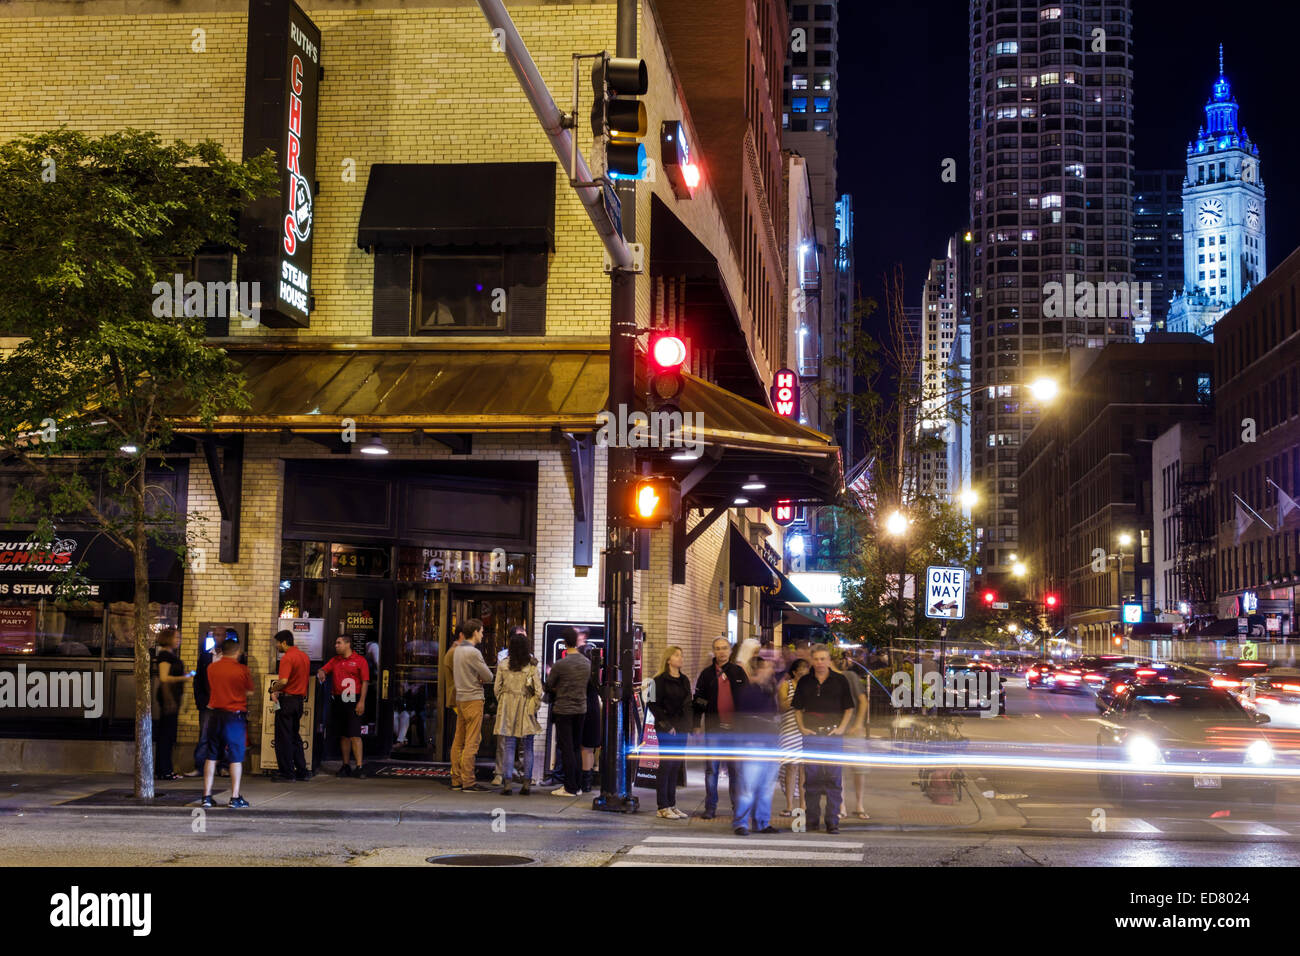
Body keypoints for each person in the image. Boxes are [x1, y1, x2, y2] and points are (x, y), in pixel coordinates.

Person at [793, 644, 854, 833]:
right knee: (811, 780)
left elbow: (849, 707)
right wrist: (802, 728)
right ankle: (811, 820)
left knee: (833, 780)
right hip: (812, 736)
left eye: (823, 659)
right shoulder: (804, 682)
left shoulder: (840, 680)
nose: (819, 663)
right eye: (816, 659)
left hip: (832, 736)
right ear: (812, 660)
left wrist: (842, 728)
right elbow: (797, 707)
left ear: (829, 661)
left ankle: (832, 821)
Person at [693, 636, 747, 819]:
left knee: (735, 771)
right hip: (714, 729)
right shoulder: (706, 675)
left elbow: (747, 700)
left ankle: (737, 807)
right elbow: (699, 701)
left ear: (730, 650)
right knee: (712, 770)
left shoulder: (738, 673)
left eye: (724, 648)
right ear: (714, 651)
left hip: (735, 730)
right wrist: (696, 725)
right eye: (717, 648)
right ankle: (710, 808)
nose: (721, 652)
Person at [197, 637, 254, 809]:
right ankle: (235, 797)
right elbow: (250, 691)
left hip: (213, 714)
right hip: (233, 716)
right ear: (237, 652)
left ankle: (206, 796)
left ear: (222, 651)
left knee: (211, 755)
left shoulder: (212, 668)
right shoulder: (242, 669)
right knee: (235, 757)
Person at [731, 654, 781, 836]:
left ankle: (761, 822)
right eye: (767, 667)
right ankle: (741, 823)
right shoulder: (748, 691)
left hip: (769, 744)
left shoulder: (768, 691)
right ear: (758, 670)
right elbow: (746, 719)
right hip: (753, 744)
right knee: (748, 788)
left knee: (766, 788)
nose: (771, 671)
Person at [493, 630, 542, 795]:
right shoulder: (532, 666)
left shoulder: (503, 665)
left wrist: (504, 700)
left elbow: (496, 689)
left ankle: (507, 784)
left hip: (508, 706)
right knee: (528, 746)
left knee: (509, 745)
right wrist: (533, 706)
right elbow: (538, 691)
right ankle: (526, 784)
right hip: (526, 707)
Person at [646, 645, 691, 819]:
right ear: (668, 659)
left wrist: (688, 725)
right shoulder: (659, 681)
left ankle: (672, 804)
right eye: (677, 655)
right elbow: (652, 704)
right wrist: (666, 724)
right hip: (666, 729)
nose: (681, 658)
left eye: (681, 655)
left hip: (681, 729)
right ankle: (662, 806)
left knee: (676, 766)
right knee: (666, 765)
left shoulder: (684, 680)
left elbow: (688, 703)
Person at [545, 626, 590, 796]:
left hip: (564, 710)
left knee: (566, 749)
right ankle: (577, 785)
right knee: (577, 748)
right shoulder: (586, 662)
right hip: (581, 709)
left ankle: (569, 787)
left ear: (564, 643)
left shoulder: (561, 664)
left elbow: (549, 685)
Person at [450, 618, 494, 792]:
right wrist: (481, 677)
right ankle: (469, 781)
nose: (483, 635)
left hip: (460, 698)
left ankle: (456, 779)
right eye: (482, 631)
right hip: (473, 698)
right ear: (475, 631)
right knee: (472, 741)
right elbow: (489, 676)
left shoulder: (457, 650)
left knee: (458, 740)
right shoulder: (473, 652)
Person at [318, 635, 370, 778]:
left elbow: (365, 681)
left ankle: (359, 766)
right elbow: (323, 669)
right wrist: (321, 672)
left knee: (355, 734)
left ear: (348, 644)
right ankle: (345, 765)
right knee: (344, 735)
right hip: (339, 700)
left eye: (339, 643)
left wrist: (362, 701)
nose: (336, 645)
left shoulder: (360, 661)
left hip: (354, 699)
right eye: (336, 643)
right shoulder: (335, 660)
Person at [269, 629, 311, 781]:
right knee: (295, 737)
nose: (277, 646)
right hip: (299, 702)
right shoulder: (304, 657)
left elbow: (284, 681)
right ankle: (302, 771)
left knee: (283, 738)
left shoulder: (288, 658)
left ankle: (287, 773)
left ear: (284, 642)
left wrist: (272, 689)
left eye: (278, 643)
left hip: (286, 702)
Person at [152, 627, 190, 781]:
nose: (178, 640)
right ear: (168, 638)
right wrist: (184, 677)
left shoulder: (170, 654)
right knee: (166, 734)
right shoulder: (164, 655)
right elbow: (164, 678)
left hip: (173, 696)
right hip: (168, 698)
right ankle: (164, 770)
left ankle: (165, 769)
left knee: (168, 734)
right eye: (176, 637)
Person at [838, 656, 871, 820]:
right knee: (839, 770)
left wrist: (858, 724)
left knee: (859, 770)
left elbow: (863, 701)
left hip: (852, 731)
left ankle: (859, 804)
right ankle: (841, 805)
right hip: (838, 731)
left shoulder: (849, 677)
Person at [777, 657, 809, 817]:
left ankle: (803, 805)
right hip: (789, 730)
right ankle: (789, 805)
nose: (804, 674)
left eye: (806, 671)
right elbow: (781, 707)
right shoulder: (785, 685)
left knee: (804, 768)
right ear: (794, 672)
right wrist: (796, 698)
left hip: (805, 729)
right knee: (791, 767)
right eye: (801, 671)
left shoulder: (811, 686)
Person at [578, 644, 603, 793]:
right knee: (590, 748)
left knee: (583, 747)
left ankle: (584, 781)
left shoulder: (583, 669)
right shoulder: (597, 670)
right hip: (594, 707)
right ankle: (588, 781)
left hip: (583, 707)